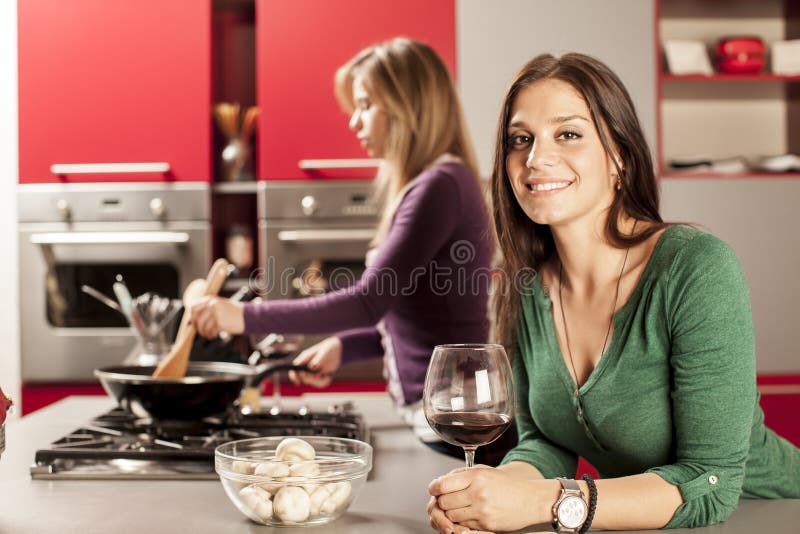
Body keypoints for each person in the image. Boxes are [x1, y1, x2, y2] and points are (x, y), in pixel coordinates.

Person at [427, 52, 800, 533]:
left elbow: (710, 482)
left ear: (619, 154)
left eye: (568, 134)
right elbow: (546, 441)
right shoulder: (525, 286)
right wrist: (491, 497)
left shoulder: (696, 269)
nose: (536, 158)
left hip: (766, 515)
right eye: (521, 139)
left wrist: (547, 502)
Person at [191, 37, 515, 465]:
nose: (354, 123)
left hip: (459, 429)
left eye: (365, 105)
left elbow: (368, 299)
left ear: (407, 106)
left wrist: (243, 316)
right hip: (442, 420)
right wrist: (347, 347)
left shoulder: (439, 186)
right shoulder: (440, 182)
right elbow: (420, 316)